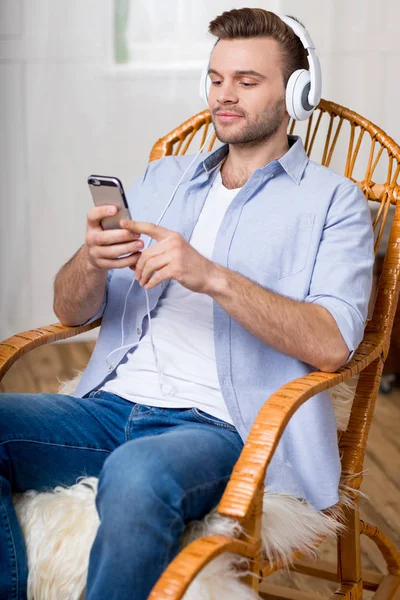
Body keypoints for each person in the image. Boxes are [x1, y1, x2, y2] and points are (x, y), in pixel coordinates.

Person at [0, 8, 374, 600]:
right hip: (108, 406)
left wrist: (210, 276)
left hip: (217, 426)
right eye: (216, 78)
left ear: (298, 93)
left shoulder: (335, 203)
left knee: (137, 474)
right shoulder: (163, 177)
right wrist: (90, 259)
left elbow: (333, 341)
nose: (224, 96)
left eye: (247, 82)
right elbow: (71, 311)